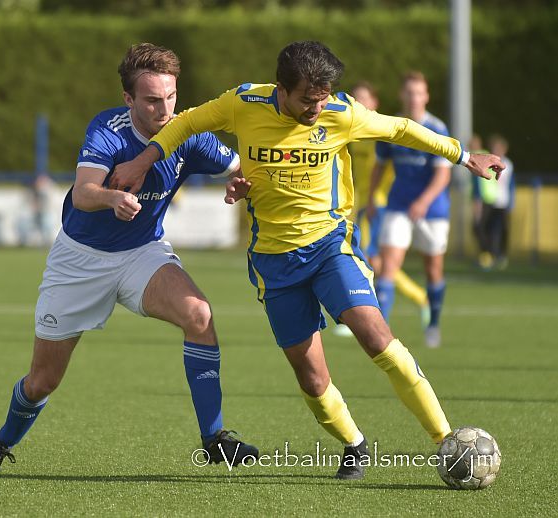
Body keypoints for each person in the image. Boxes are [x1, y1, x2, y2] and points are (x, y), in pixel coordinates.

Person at [110, 41, 504, 479]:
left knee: (375, 336)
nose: (317, 109)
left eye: (322, 98)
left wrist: (464, 156)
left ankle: (446, 440)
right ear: (281, 89)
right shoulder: (243, 104)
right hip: (274, 262)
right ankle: (355, 444)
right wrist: (143, 161)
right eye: (306, 100)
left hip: (329, 245)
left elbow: (400, 129)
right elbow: (185, 123)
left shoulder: (341, 112)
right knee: (312, 378)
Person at [0, 43, 257, 472]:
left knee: (199, 315)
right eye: (152, 100)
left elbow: (243, 168)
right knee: (43, 380)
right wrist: (112, 198)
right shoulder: (109, 129)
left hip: (142, 253)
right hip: (80, 260)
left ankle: (214, 438)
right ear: (128, 99)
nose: (165, 109)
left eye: (171, 96)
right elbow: (84, 193)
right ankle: (1, 442)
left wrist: (242, 184)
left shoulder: (189, 133)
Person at [332, 81, 428, 338]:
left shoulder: (380, 130)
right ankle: (418, 298)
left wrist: (378, 198)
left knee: (367, 259)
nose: (359, 101)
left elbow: (391, 169)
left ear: (375, 102)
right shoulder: (353, 131)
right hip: (363, 203)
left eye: (364, 97)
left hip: (381, 204)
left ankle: (363, 315)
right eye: (356, 97)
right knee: (373, 260)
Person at [368, 71, 451, 348]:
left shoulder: (437, 129)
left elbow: (443, 174)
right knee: (388, 267)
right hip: (398, 206)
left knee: (433, 269)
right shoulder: (391, 127)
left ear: (426, 96)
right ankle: (380, 335)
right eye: (410, 92)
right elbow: (380, 166)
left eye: (419, 93)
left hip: (433, 210)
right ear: (401, 95)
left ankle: (433, 323)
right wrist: (372, 198)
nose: (414, 98)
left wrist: (424, 201)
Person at [472, 134, 515, 270]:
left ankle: (500, 255)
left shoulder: (508, 164)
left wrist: (511, 202)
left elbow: (510, 185)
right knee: (488, 230)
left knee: (501, 230)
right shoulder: (489, 160)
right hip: (491, 201)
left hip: (502, 202)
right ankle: (490, 255)